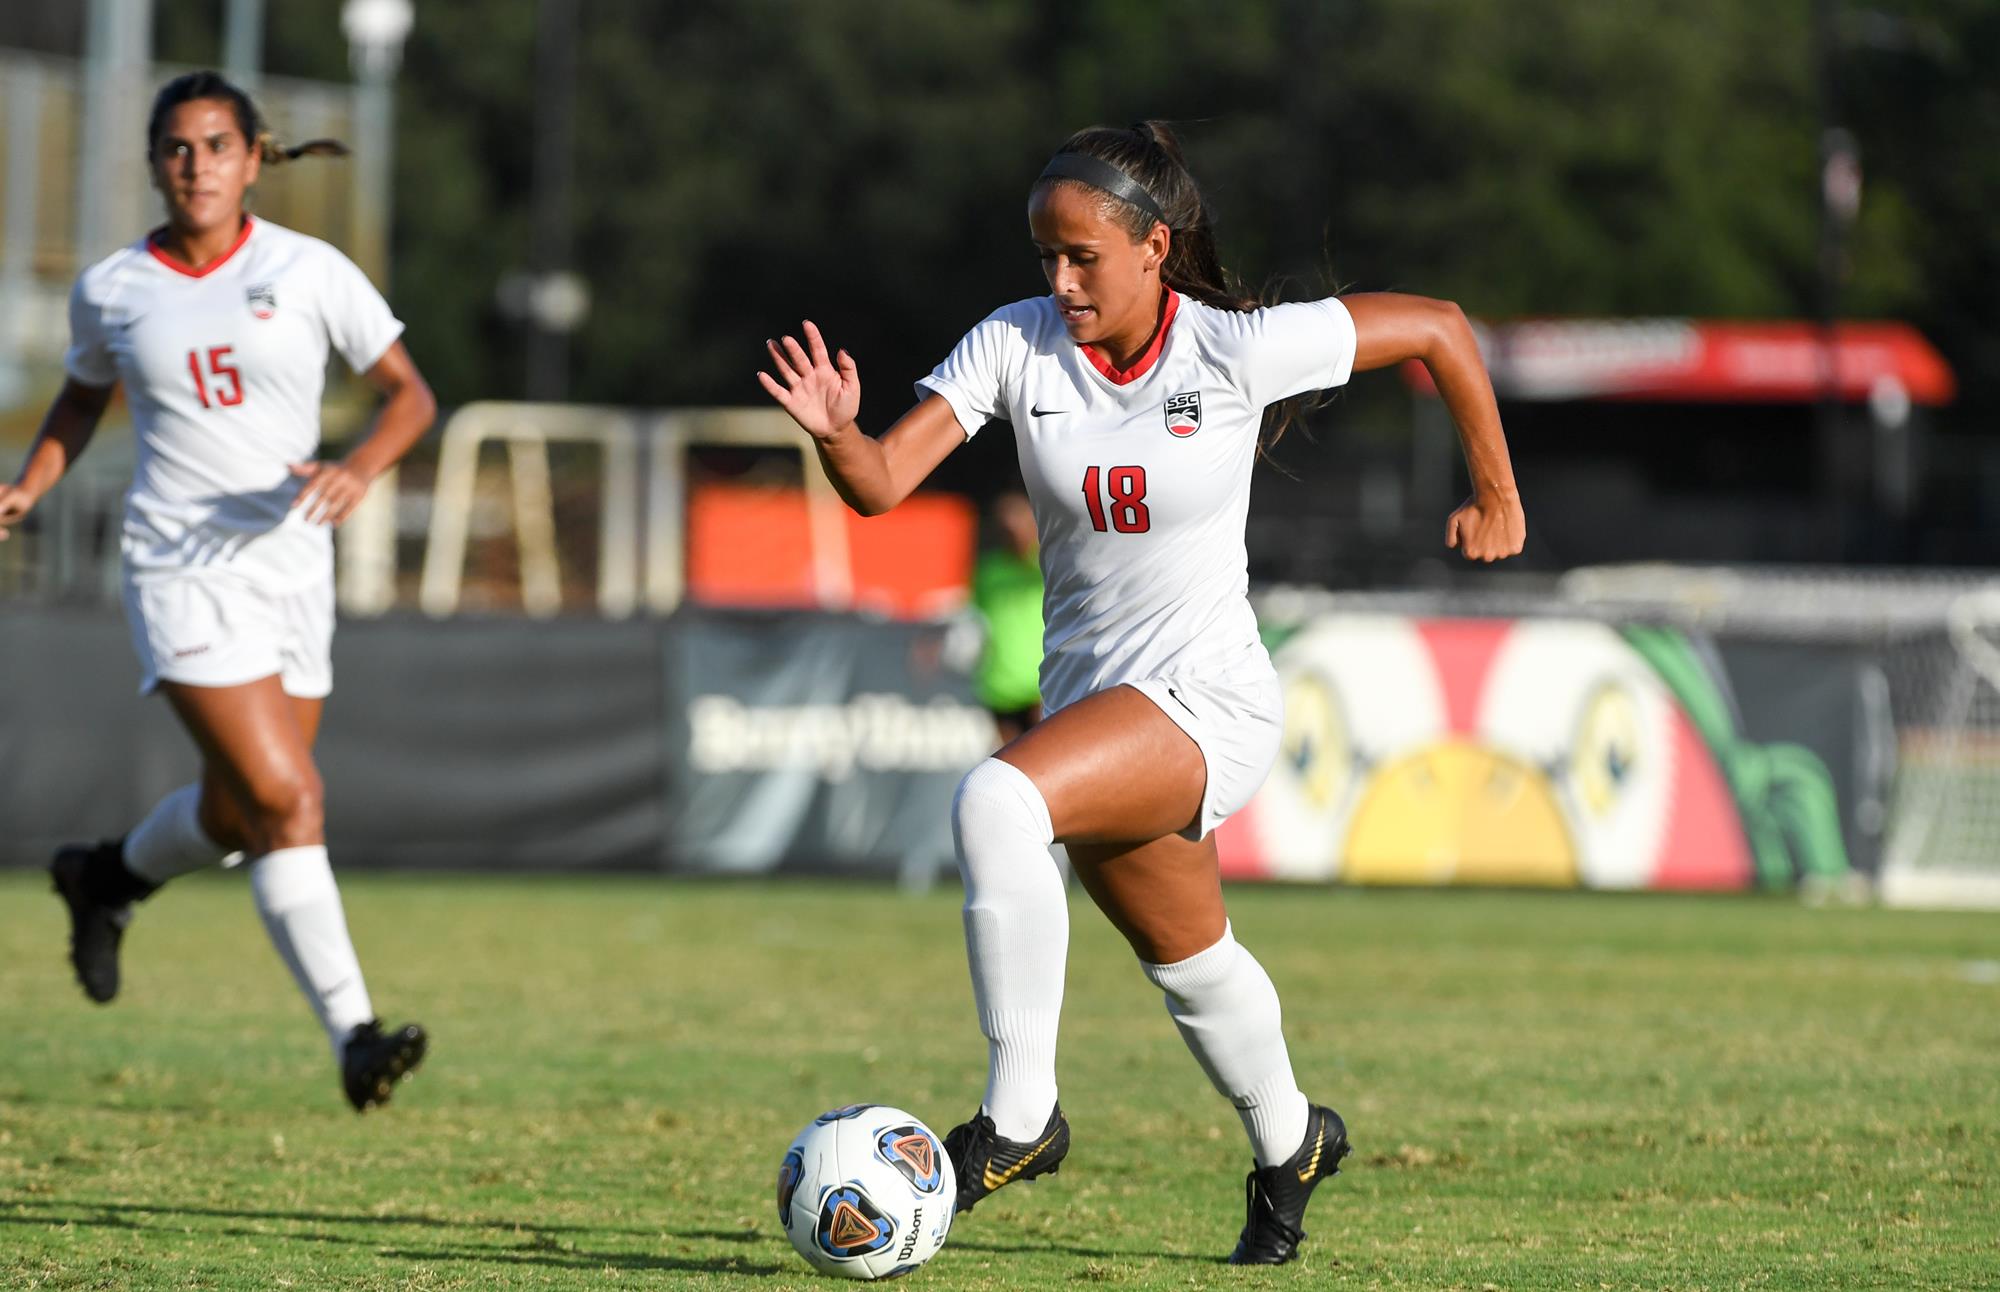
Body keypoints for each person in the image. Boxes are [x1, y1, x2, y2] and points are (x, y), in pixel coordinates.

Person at [760, 120, 1524, 1264]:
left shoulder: (1234, 350)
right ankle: (1290, 1140)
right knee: (1190, 960)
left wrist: (1495, 490)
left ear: (1155, 248)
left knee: (996, 799)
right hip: (1094, 710)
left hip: (1207, 699)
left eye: (1081, 258)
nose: (1057, 281)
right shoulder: (1016, 345)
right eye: (1043, 259)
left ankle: (1021, 1116)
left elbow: (1441, 329)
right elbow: (878, 483)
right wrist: (834, 434)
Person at [0, 71, 438, 1112]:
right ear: (155, 164)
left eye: (215, 146)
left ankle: (106, 876)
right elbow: (79, 396)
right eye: (177, 148)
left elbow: (409, 395)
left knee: (246, 813)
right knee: (290, 798)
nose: (196, 165)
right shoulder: (113, 286)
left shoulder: (309, 269)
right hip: (177, 566)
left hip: (292, 562)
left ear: (252, 158)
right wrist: (27, 484)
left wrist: (358, 466)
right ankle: (355, 1036)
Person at [971, 490, 1045, 744]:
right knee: (1010, 764)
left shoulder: (1045, 566)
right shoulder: (988, 571)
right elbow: (972, 617)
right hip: (998, 686)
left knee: (1043, 757)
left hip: (1039, 685)